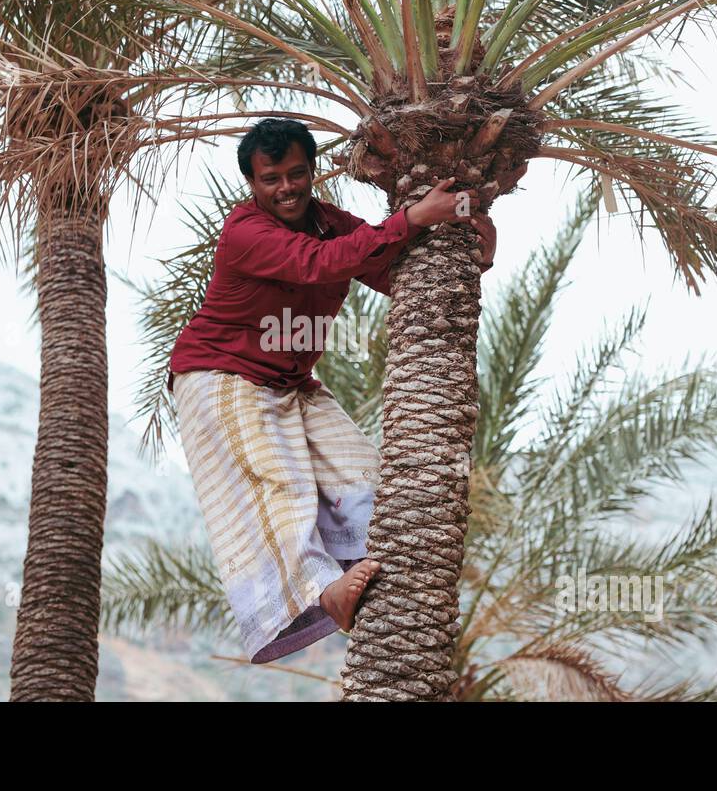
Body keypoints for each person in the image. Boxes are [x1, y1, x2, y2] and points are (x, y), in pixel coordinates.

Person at [166, 118, 496, 663]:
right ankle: (324, 594)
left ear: (312, 173)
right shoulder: (245, 232)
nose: (287, 187)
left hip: (291, 383)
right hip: (221, 376)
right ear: (252, 181)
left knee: (365, 472)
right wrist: (411, 216)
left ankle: (379, 578)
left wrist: (472, 258)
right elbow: (320, 264)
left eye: (298, 173)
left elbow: (391, 273)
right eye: (272, 178)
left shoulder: (328, 221)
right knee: (282, 482)